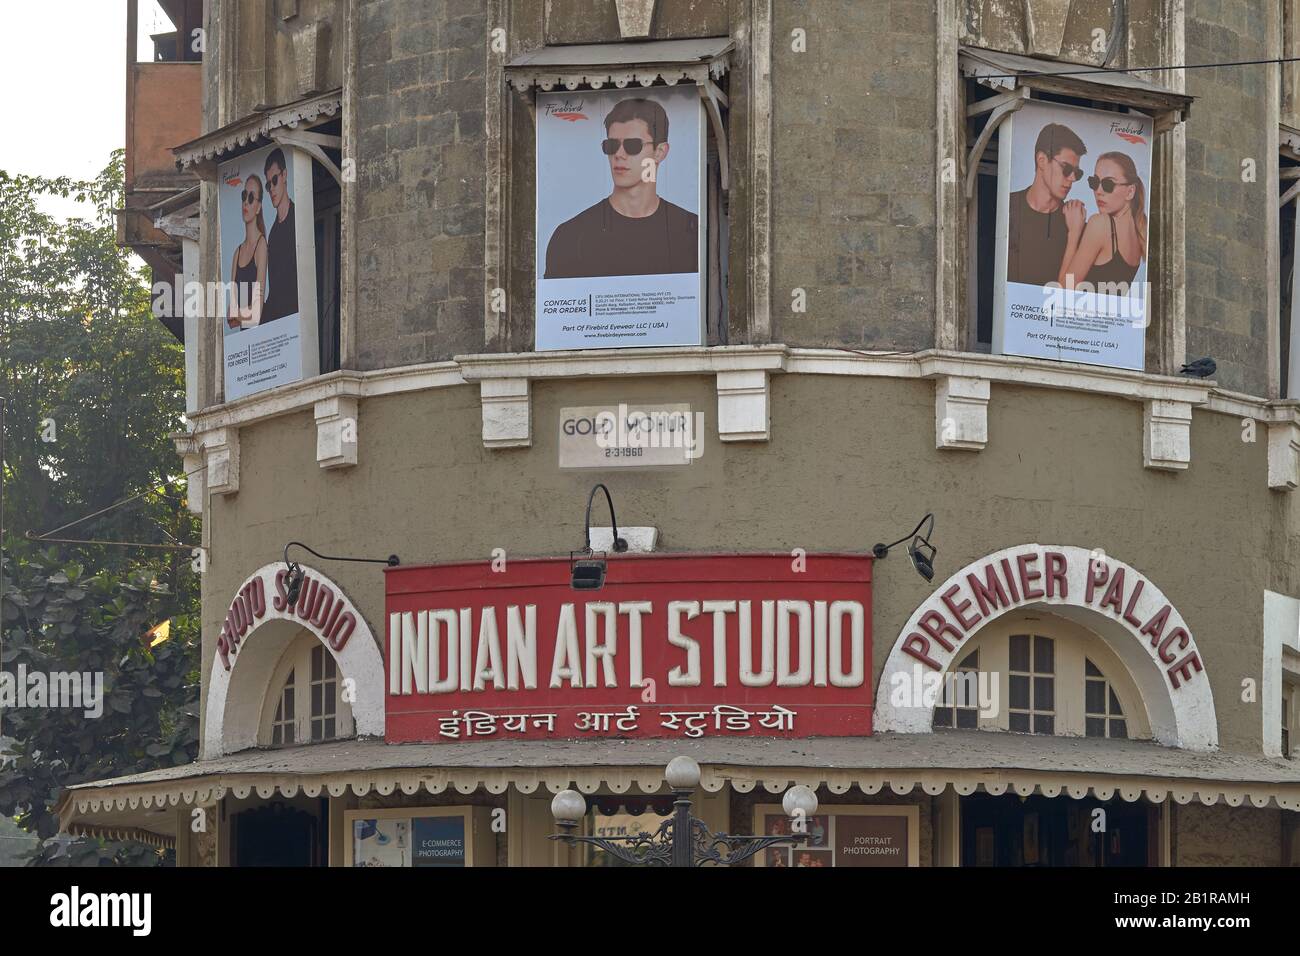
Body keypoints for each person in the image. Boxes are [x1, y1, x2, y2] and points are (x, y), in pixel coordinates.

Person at [544, 97, 698, 279]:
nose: (619, 154)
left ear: (660, 152)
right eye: (611, 145)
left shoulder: (692, 231)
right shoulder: (571, 236)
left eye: (633, 145)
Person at [1007, 122, 1087, 286]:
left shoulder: (1077, 226)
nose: (1072, 178)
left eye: (1077, 173)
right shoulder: (1007, 207)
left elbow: (1068, 295)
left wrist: (1074, 234)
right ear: (1042, 160)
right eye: (1066, 169)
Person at [1058, 151, 1147, 291]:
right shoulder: (1139, 232)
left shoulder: (1101, 224)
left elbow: (1062, 292)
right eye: (1094, 182)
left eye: (1108, 184)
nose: (1098, 191)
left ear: (1130, 192)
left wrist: (1074, 232)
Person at [261, 148, 298, 322]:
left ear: (284, 175)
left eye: (274, 180)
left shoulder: (298, 219)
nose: (272, 189)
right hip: (280, 326)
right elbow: (275, 290)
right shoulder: (273, 234)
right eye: (268, 185)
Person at [227, 174, 267, 330]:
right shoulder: (237, 252)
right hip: (243, 342)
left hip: (260, 338)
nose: (246, 202)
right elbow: (231, 319)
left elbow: (257, 313)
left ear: (258, 207)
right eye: (244, 196)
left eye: (251, 198)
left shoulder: (261, 245)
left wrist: (238, 314)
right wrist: (241, 314)